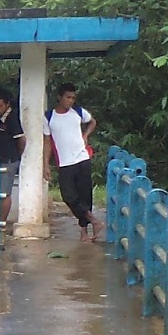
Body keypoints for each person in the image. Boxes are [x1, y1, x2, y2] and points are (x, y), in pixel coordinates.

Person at [47, 82, 102, 242]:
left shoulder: (78, 112)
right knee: (69, 196)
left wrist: (85, 135)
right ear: (59, 97)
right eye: (68, 97)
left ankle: (85, 230)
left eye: (73, 98)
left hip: (82, 158)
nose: (70, 101)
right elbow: (47, 142)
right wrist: (45, 165)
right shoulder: (49, 117)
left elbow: (92, 122)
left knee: (85, 195)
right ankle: (94, 220)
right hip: (64, 162)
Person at [0, 89, 25, 224]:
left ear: (7, 105)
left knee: (4, 193)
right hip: (0, 159)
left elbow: (22, 140)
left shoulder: (12, 118)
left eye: (0, 106)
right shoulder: (1, 119)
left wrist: (16, 157)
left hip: (9, 160)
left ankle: (1, 223)